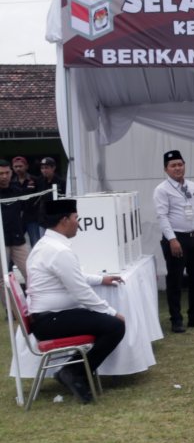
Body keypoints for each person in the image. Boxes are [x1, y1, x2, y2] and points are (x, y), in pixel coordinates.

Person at [24, 198, 126, 404]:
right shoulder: (58, 250)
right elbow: (81, 291)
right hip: (50, 321)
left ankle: (75, 372)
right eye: (76, 218)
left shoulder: (46, 245)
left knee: (108, 324)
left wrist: (101, 279)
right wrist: (111, 312)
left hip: (48, 319)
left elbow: (75, 277)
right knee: (115, 326)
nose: (78, 223)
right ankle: (73, 372)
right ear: (64, 220)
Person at [154, 149, 194, 333]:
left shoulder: (193, 186)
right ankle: (176, 319)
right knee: (175, 280)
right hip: (176, 238)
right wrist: (172, 239)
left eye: (180, 164)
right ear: (166, 169)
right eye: (173, 165)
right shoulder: (162, 190)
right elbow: (162, 216)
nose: (178, 168)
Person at [0, 159, 30, 283]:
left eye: (7, 172)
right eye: (1, 173)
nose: (4, 176)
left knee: (32, 274)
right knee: (2, 279)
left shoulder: (17, 190)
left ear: (11, 173)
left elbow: (25, 211)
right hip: (1, 241)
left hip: (18, 240)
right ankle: (8, 303)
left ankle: (34, 301)